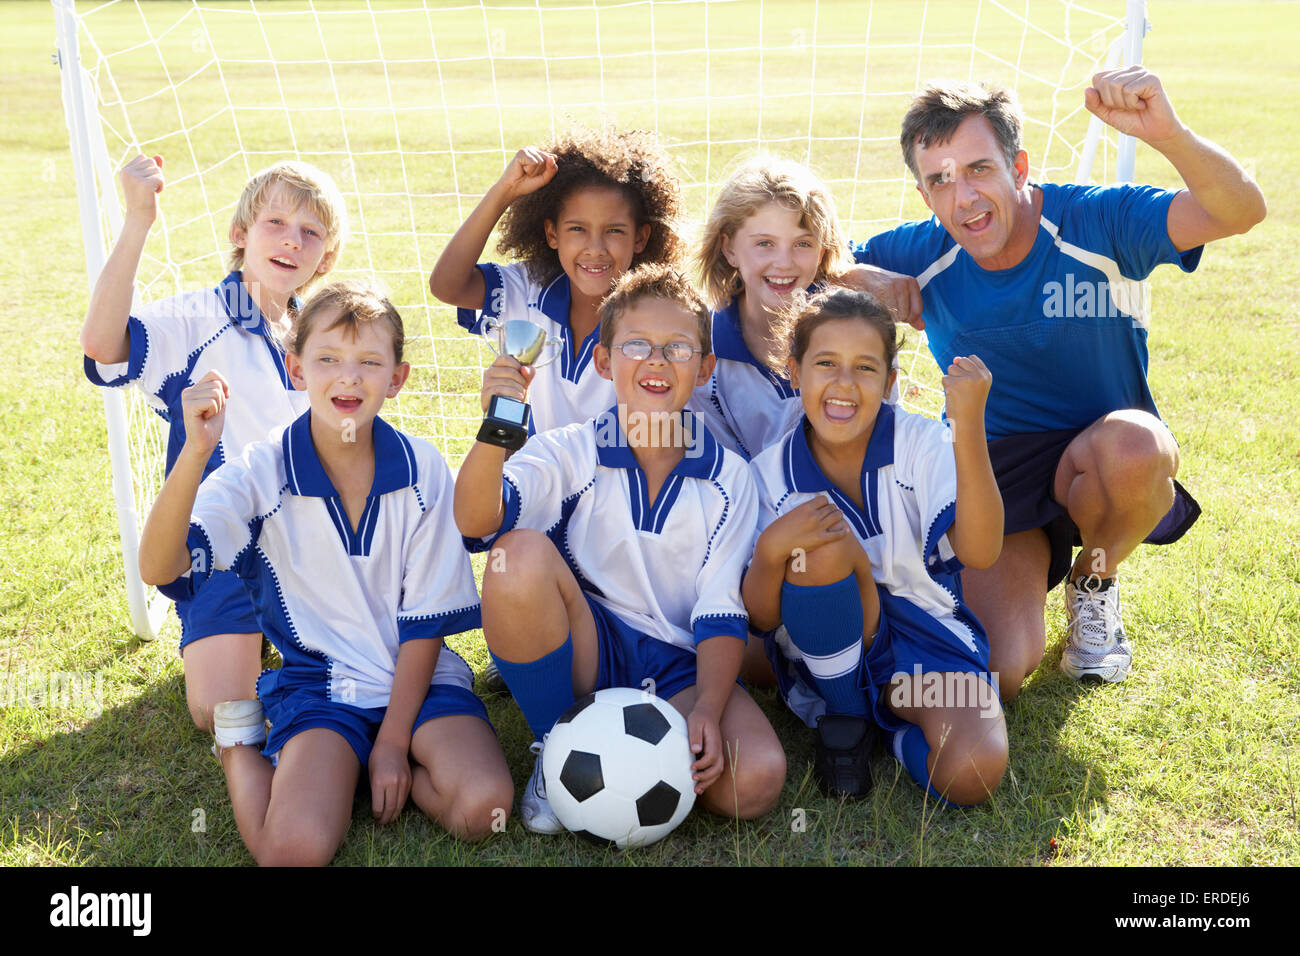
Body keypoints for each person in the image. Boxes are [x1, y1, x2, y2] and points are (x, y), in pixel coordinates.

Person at [852, 69, 1266, 696]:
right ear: (923, 195)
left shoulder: (1095, 221)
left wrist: (1169, 134)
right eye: (940, 180)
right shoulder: (919, 254)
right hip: (997, 474)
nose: (963, 197)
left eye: (979, 169)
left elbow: (1240, 210)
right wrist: (861, 279)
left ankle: (1094, 580)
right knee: (1000, 668)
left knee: (1137, 448)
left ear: (1019, 167)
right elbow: (798, 268)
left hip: (1101, 453)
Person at [137, 281, 512, 864]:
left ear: (398, 378)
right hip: (323, 687)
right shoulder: (259, 472)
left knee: (483, 809)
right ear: (295, 368)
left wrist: (390, 743)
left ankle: (369, 759)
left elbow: (425, 622)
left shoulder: (424, 469)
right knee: (293, 853)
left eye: (369, 362)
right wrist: (194, 451)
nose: (348, 378)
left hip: (420, 677)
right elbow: (161, 567)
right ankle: (240, 748)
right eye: (328, 359)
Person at [454, 263, 786, 833]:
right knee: (518, 555)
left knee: (754, 780)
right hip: (591, 644)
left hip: (678, 661)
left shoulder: (730, 478)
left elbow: (720, 610)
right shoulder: (571, 451)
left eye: (677, 349)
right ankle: (556, 747)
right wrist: (498, 423)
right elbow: (476, 520)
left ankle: (646, 759)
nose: (656, 361)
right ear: (605, 362)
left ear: (704, 368)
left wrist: (707, 707)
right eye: (636, 345)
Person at [81, 156, 347, 735]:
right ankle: (252, 638)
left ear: (325, 257)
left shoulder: (322, 330)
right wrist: (138, 219)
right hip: (224, 548)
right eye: (275, 223)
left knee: (366, 671)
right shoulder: (196, 320)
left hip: (313, 541)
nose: (291, 241)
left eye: (310, 233)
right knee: (221, 713)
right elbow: (103, 346)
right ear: (240, 234)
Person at [745, 288, 1007, 805]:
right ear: (794, 372)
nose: (844, 383)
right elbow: (759, 617)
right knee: (818, 541)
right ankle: (846, 718)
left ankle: (889, 725)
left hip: (927, 652)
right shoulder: (768, 473)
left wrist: (968, 427)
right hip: (830, 658)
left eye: (865, 368)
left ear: (889, 383)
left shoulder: (922, 442)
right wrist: (773, 550)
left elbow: (979, 553)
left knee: (974, 768)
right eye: (825, 363)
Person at [429, 126, 686, 436]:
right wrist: (505, 192)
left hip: (621, 480)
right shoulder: (526, 289)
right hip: (535, 477)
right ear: (552, 234)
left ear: (641, 238)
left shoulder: (659, 319)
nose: (595, 248)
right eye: (577, 229)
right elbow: (447, 285)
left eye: (614, 230)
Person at [691, 157, 856, 461]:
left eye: (802, 244)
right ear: (729, 249)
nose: (784, 262)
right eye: (765, 243)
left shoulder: (856, 331)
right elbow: (719, 470)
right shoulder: (703, 344)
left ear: (822, 250)